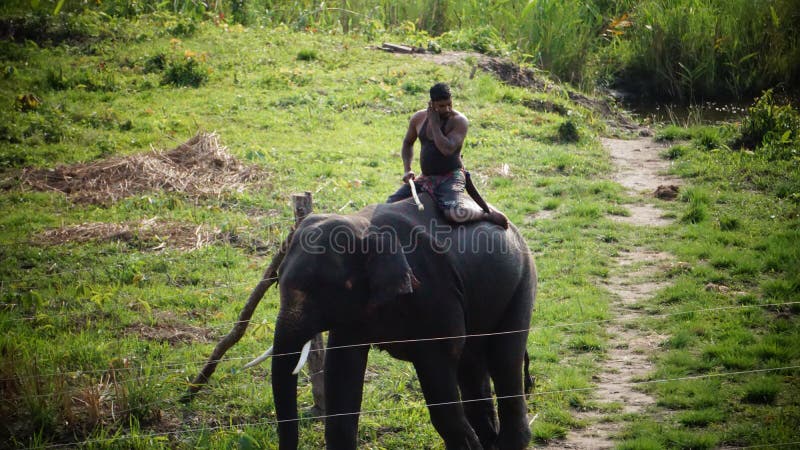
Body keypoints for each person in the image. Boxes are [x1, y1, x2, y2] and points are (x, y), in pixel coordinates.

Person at [387, 82, 508, 227]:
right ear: (432, 104)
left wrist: (434, 124)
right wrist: (407, 169)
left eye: (449, 104)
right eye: (442, 106)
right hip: (426, 178)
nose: (447, 109)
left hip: (451, 176)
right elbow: (407, 143)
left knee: (454, 214)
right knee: (389, 206)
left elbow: (447, 149)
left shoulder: (459, 121)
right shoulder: (418, 118)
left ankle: (486, 214)